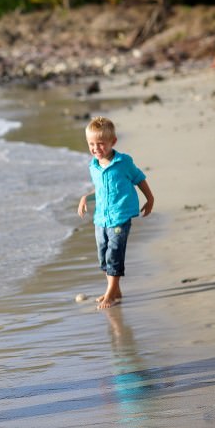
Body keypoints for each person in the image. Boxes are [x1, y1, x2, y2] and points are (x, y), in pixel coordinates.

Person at [78, 117, 155, 310]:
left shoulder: (123, 162)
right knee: (103, 255)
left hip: (120, 217)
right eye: (91, 144)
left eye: (101, 144)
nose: (96, 148)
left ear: (113, 142)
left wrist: (150, 198)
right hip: (101, 219)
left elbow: (139, 179)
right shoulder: (94, 166)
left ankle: (110, 293)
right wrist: (86, 198)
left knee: (114, 253)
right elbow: (101, 190)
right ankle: (115, 290)